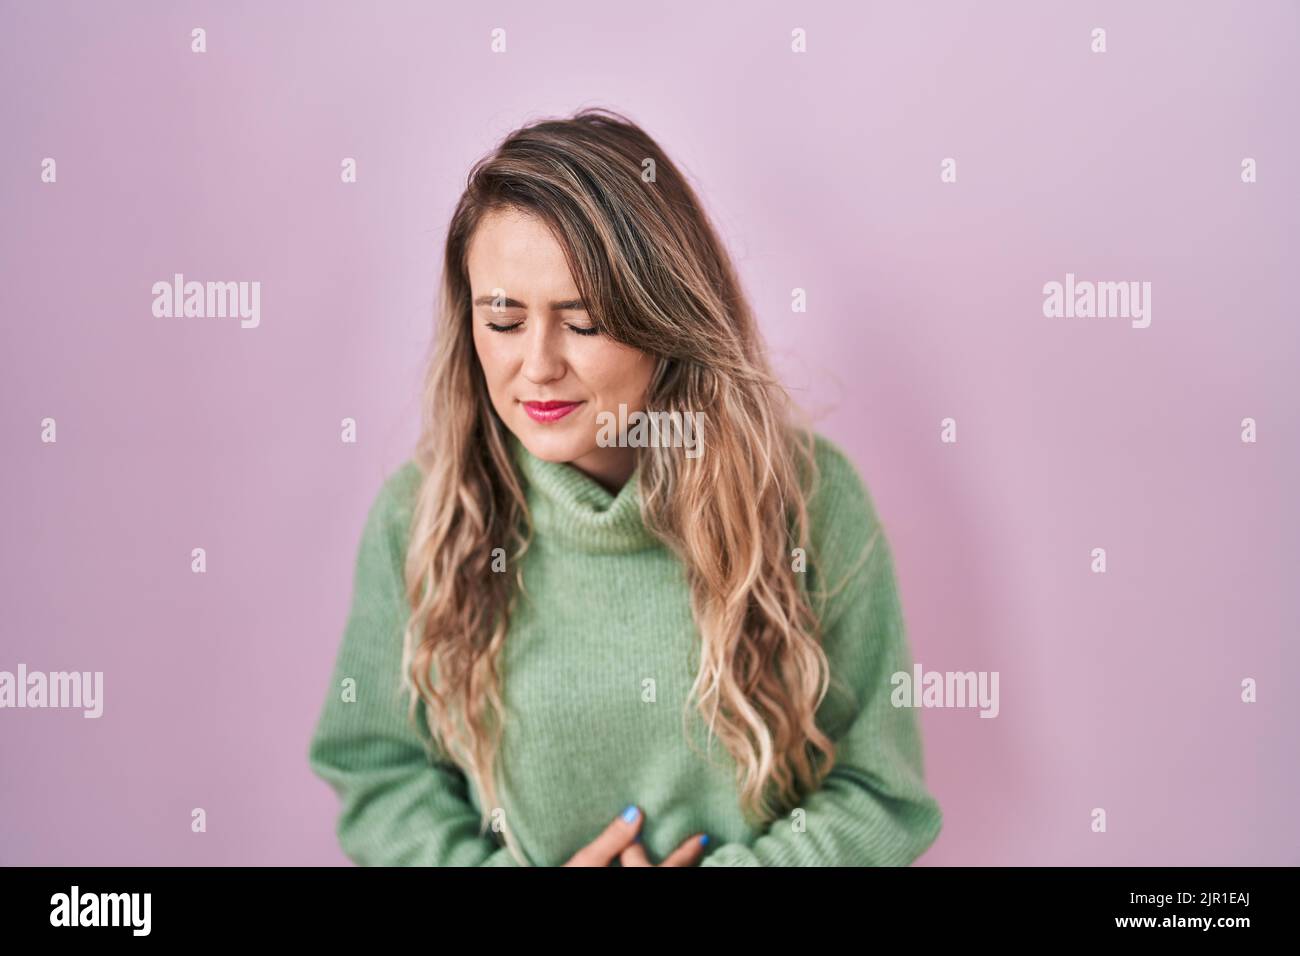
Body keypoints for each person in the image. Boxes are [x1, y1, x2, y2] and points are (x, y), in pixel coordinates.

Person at [307, 107, 943, 866]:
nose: (538, 365)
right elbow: (380, 777)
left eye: (583, 322)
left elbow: (882, 791)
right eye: (503, 321)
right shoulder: (418, 518)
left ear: (663, 319)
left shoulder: (811, 499)